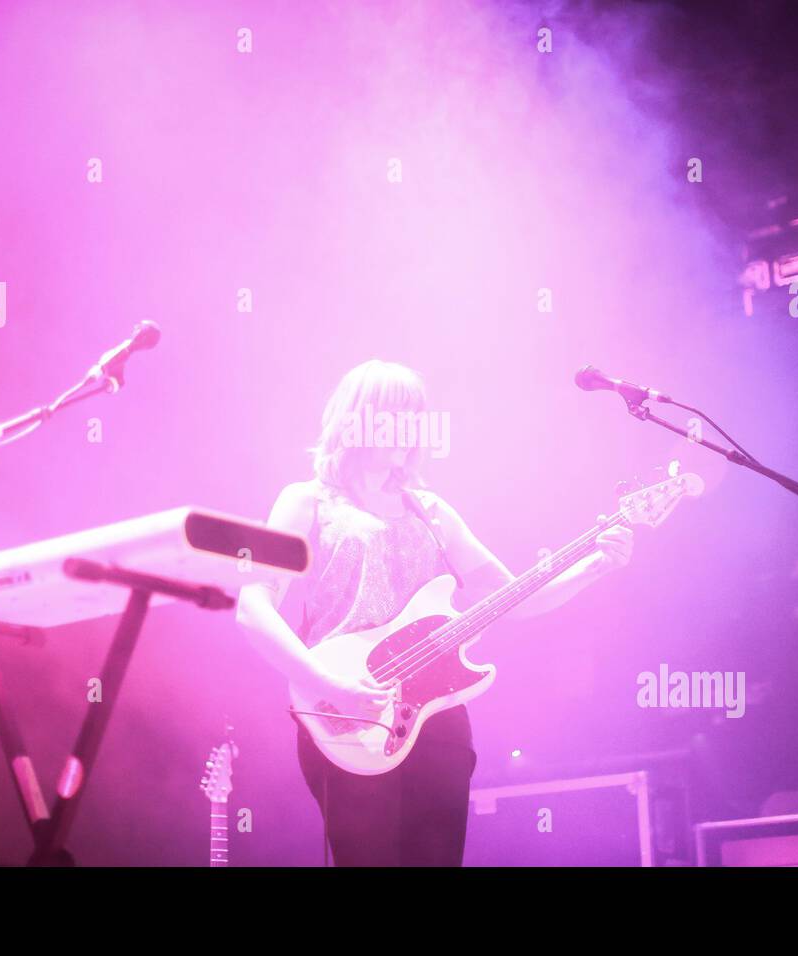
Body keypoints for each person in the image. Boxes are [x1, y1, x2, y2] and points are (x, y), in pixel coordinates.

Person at [235, 359, 633, 866]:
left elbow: (514, 598)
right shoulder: (308, 501)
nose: (408, 427)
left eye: (415, 415)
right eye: (394, 413)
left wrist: (597, 565)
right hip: (347, 712)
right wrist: (329, 685)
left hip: (439, 719)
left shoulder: (432, 511)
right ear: (357, 417)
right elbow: (254, 607)